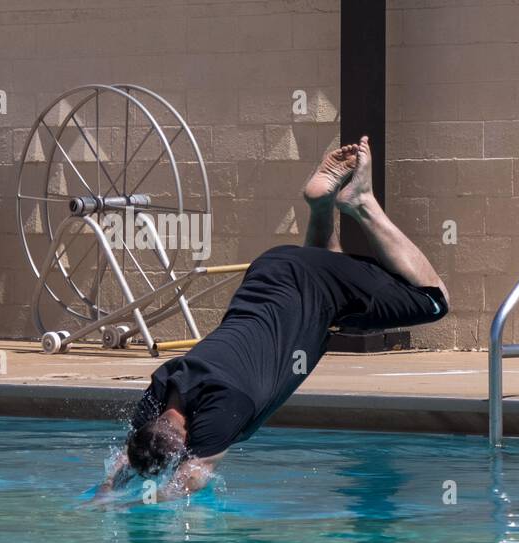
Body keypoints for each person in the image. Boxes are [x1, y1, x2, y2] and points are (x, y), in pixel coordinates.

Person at [99, 136, 448, 501]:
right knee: (321, 307)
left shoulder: (223, 410)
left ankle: (362, 201)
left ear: (185, 438)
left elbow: (190, 480)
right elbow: (127, 458)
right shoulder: (158, 391)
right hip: (271, 269)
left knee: (434, 300)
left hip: (311, 285)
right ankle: (322, 205)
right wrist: (103, 497)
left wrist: (141, 507)